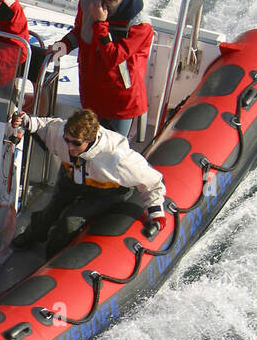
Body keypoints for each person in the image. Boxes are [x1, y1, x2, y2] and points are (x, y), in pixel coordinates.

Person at [11, 107, 166, 255]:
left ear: (90, 139)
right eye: (67, 140)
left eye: (76, 143)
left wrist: (157, 213)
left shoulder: (117, 156)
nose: (70, 147)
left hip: (104, 191)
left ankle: (54, 259)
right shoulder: (61, 133)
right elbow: (43, 126)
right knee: (51, 210)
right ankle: (33, 234)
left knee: (69, 223)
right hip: (72, 177)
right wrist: (25, 121)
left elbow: (152, 181)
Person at [52, 0, 153, 136]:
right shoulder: (87, 3)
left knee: (111, 156)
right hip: (91, 97)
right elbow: (79, 32)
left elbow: (113, 58)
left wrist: (100, 24)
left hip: (121, 104)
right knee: (82, 152)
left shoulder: (140, 24)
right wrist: (64, 45)